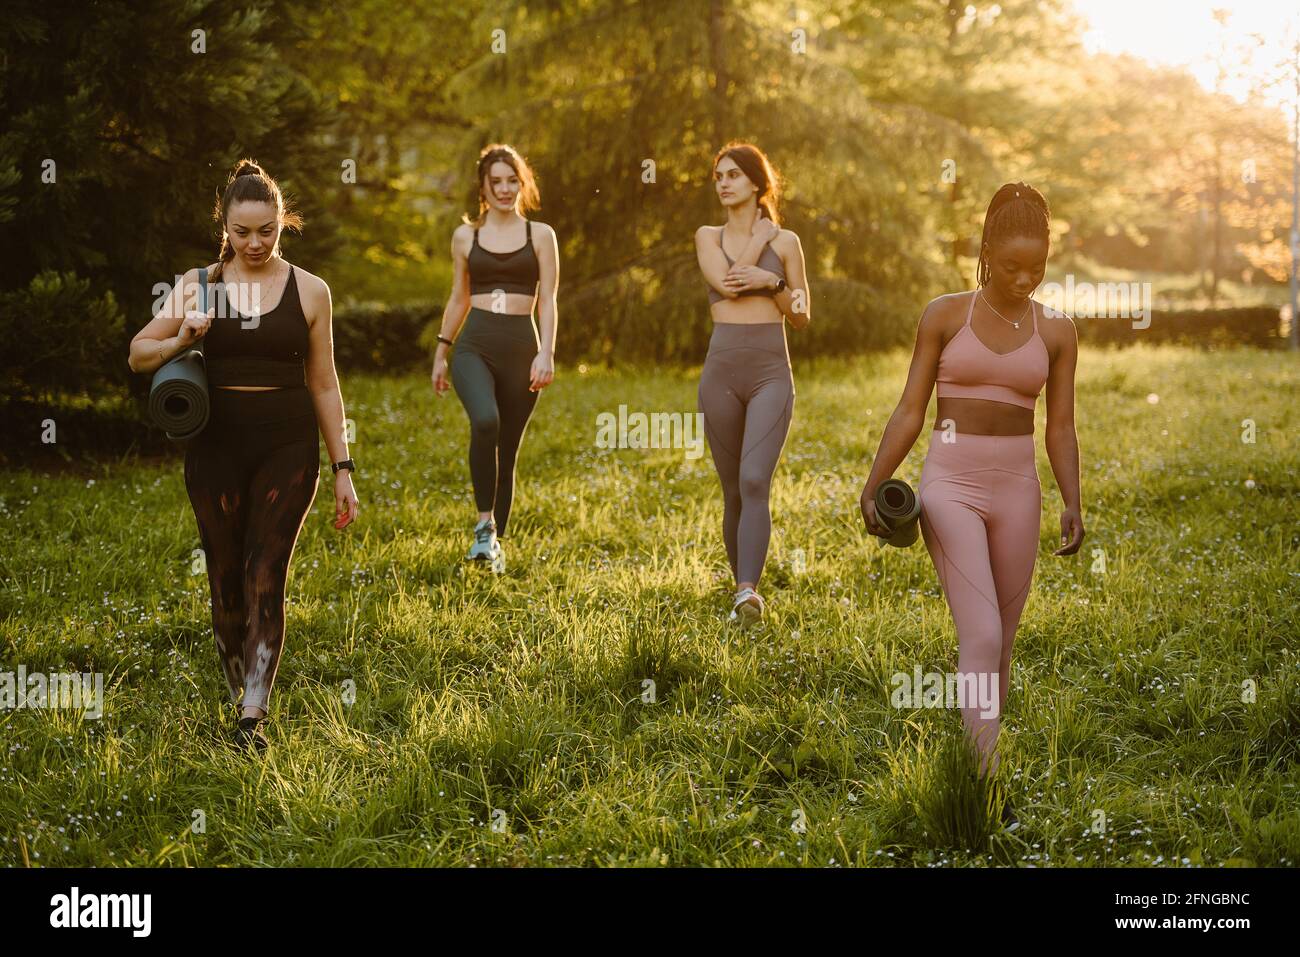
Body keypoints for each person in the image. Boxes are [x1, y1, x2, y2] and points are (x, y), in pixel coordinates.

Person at [860, 182, 1084, 798]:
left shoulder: (1058, 332)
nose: (1024, 279)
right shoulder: (944, 314)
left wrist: (1072, 499)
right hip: (949, 483)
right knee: (980, 634)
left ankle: (979, 752)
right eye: (1011, 266)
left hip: (1018, 489)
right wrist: (876, 480)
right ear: (985, 251)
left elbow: (1059, 427)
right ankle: (980, 784)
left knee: (1002, 641)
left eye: (1036, 268)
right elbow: (911, 409)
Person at [128, 159, 359, 751]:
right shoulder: (199, 284)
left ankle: (253, 714)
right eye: (241, 232)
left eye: (267, 231)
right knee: (225, 575)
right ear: (224, 226)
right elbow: (138, 353)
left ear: (284, 223)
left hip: (288, 445)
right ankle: (239, 688)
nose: (254, 244)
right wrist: (184, 338)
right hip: (216, 447)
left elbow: (325, 381)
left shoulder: (311, 291)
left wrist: (343, 469)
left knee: (266, 572)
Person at [695, 142, 810, 625]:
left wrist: (776, 284)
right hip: (720, 372)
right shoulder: (706, 235)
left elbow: (802, 316)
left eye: (734, 175)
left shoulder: (786, 243)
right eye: (718, 175)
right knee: (732, 490)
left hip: (770, 373)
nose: (723, 182)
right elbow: (728, 283)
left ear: (757, 183)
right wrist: (758, 257)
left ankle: (747, 594)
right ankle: (740, 586)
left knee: (755, 478)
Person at [430, 144, 557, 565]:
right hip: (475, 345)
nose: (505, 189)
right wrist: (441, 351)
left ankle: (493, 544)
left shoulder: (540, 235)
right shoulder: (466, 236)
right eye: (495, 182)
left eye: (511, 180)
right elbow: (458, 296)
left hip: (522, 347)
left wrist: (546, 354)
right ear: (483, 188)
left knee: (508, 448)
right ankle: (484, 525)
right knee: (486, 420)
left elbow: (549, 301)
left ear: (522, 183)